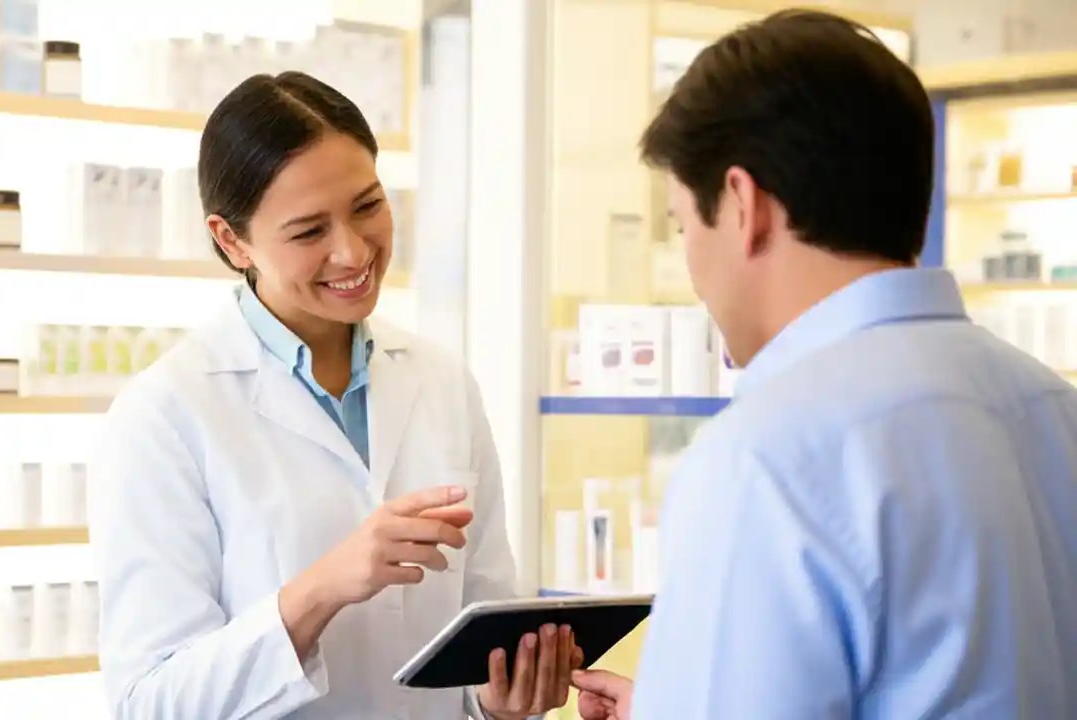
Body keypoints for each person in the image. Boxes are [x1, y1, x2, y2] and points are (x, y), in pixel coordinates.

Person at [571, 10, 1077, 720]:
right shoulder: (1053, 409)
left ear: (745, 207)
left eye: (684, 223)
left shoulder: (768, 456)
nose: (690, 263)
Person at [90, 72, 578, 719]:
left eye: (368, 205)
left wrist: (499, 701)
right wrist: (322, 588)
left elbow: (479, 633)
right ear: (232, 240)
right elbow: (150, 702)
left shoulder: (441, 382)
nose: (353, 251)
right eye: (308, 231)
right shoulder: (165, 415)